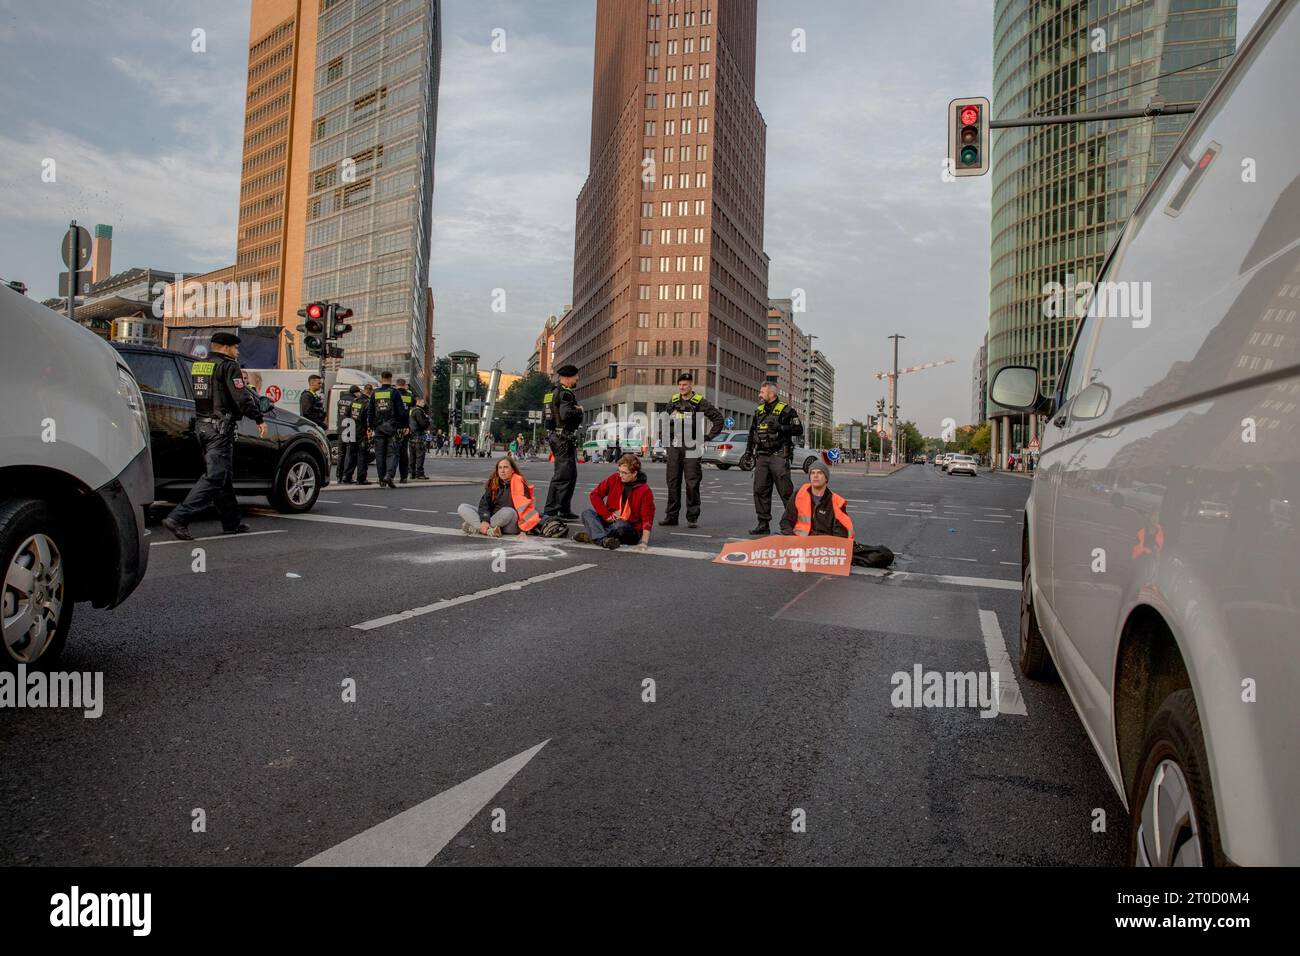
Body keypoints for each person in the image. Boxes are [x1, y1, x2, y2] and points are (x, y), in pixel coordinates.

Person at [162, 332, 267, 540]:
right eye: (235, 348)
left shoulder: (201, 365)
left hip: (202, 426)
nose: (237, 352)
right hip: (220, 428)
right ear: (226, 347)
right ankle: (179, 517)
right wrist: (258, 418)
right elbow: (241, 397)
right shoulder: (229, 366)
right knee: (215, 476)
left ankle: (232, 522)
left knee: (223, 475)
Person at [779, 461, 895, 568]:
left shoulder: (836, 502)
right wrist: (792, 538)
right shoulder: (799, 494)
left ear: (826, 478)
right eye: (812, 473)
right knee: (768, 540)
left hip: (824, 548)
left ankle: (848, 559)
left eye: (819, 473)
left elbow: (842, 534)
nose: (815, 476)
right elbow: (786, 521)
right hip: (799, 543)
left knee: (884, 554)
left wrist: (828, 547)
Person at [659, 371, 724, 529]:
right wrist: (664, 438)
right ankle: (671, 516)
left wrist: (707, 437)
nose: (682, 387)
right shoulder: (673, 401)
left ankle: (692, 517)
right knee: (673, 482)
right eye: (680, 385)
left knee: (692, 482)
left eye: (685, 385)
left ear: (691, 385)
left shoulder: (699, 401)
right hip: (674, 446)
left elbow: (718, 419)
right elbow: (664, 421)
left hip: (692, 446)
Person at [746, 383, 803, 535]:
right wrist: (748, 452)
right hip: (762, 457)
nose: (759, 394)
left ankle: (793, 524)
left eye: (762, 391)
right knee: (760, 490)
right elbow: (752, 433)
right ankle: (763, 524)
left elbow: (799, 430)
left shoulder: (786, 410)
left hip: (779, 456)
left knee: (785, 492)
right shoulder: (758, 411)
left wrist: (781, 428)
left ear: (772, 393)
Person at [574, 453, 654, 550]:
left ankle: (594, 536)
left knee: (620, 525)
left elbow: (647, 518)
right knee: (587, 513)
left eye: (624, 473)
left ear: (634, 473)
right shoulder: (614, 478)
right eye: (619, 471)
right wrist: (606, 515)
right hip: (610, 521)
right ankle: (602, 539)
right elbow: (595, 494)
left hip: (628, 528)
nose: (620, 475)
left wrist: (644, 542)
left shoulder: (645, 490)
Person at [457, 456, 541, 538]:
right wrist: (485, 520)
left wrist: (524, 531)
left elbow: (527, 509)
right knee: (463, 507)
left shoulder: (520, 483)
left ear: (512, 470)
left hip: (511, 523)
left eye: (506, 467)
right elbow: (484, 503)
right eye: (500, 468)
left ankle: (477, 527)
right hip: (494, 518)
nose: (502, 471)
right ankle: (488, 530)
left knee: (508, 511)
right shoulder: (494, 483)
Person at [542, 364, 583, 520]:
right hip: (563, 438)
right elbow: (566, 414)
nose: (577, 378)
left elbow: (546, 415)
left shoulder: (551, 393)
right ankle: (552, 510)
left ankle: (563, 509)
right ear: (567, 378)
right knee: (563, 476)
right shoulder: (566, 394)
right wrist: (579, 410)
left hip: (555, 436)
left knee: (569, 475)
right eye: (575, 376)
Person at [369, 371, 408, 488]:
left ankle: (381, 480)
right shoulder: (394, 393)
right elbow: (401, 412)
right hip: (392, 427)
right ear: (391, 379)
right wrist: (405, 426)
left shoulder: (375, 393)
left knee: (380, 454)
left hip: (378, 428)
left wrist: (370, 427)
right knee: (393, 453)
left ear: (381, 379)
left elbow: (370, 412)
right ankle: (389, 475)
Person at [337, 384, 361, 482]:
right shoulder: (354, 401)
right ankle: (347, 476)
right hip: (350, 429)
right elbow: (355, 415)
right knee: (350, 454)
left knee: (341, 454)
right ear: (356, 392)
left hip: (340, 428)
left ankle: (338, 475)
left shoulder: (340, 400)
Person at [409, 397, 431, 479]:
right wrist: (427, 420)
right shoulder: (419, 411)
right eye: (422, 402)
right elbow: (422, 423)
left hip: (412, 436)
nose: (424, 403)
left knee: (412, 456)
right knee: (420, 455)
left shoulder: (411, 410)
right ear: (418, 401)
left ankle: (412, 473)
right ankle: (420, 473)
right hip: (419, 435)